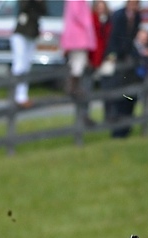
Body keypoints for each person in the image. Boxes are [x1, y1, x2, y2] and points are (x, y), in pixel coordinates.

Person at [102, 0, 142, 138]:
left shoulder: (137, 16)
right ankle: (117, 130)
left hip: (128, 58)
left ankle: (126, 128)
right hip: (117, 57)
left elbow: (132, 37)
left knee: (130, 96)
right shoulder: (118, 15)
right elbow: (114, 37)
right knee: (116, 96)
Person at [60, 0, 99, 120]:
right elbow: (79, 16)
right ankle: (73, 86)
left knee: (77, 61)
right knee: (78, 62)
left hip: (76, 36)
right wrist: (87, 24)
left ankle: (74, 85)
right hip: (78, 36)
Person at [12, 0, 47, 109]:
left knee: (26, 65)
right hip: (21, 32)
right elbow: (23, 7)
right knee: (19, 64)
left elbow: (44, 11)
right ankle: (17, 96)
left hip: (32, 34)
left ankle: (22, 96)